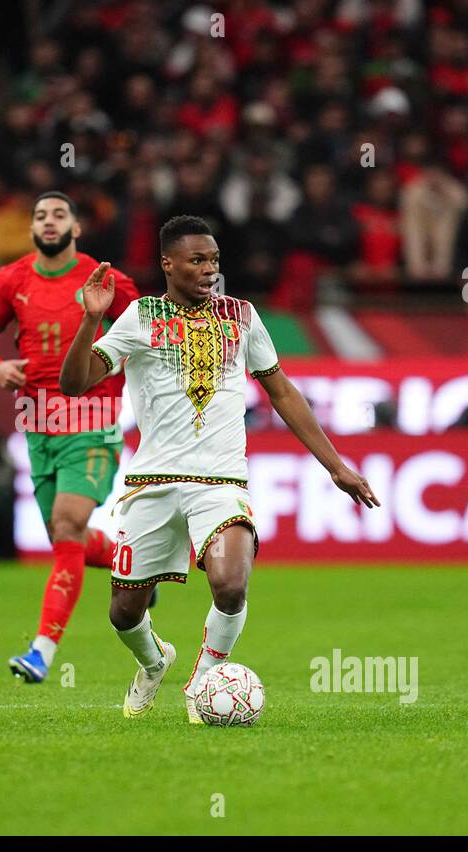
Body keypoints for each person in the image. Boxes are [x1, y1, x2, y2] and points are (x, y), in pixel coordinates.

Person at [59, 215, 378, 721]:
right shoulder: (140, 316)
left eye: (214, 261)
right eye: (197, 260)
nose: (210, 270)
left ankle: (204, 682)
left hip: (222, 482)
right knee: (124, 613)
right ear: (168, 264)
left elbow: (281, 391)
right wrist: (88, 321)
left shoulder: (242, 316)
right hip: (153, 481)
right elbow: (74, 384)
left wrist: (335, 465)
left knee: (231, 583)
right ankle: (154, 659)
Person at [0, 191, 141, 682]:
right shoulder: (12, 279)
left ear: (76, 226)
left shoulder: (103, 279)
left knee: (66, 525)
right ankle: (138, 564)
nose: (49, 222)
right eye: (40, 216)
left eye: (59, 214)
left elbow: (150, 323)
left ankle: (42, 650)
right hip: (37, 425)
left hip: (93, 419)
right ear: (31, 229)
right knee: (65, 538)